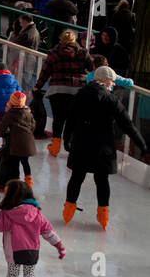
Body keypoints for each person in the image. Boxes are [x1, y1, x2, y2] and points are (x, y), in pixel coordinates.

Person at [61, 65, 147, 230]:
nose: (114, 85)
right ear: (106, 81)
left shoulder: (80, 95)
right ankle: (103, 215)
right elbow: (127, 125)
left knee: (77, 177)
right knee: (102, 181)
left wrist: (66, 138)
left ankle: (68, 210)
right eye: (112, 82)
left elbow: (70, 119)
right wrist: (142, 145)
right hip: (103, 148)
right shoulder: (111, 100)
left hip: (81, 144)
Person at [33, 29, 94, 158]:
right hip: (77, 90)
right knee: (73, 119)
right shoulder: (83, 53)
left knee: (58, 119)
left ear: (61, 39)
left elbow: (45, 72)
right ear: (74, 40)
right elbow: (91, 69)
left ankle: (55, 147)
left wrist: (37, 86)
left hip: (57, 90)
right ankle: (70, 144)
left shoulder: (54, 52)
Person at [0, 91, 36, 189]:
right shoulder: (28, 112)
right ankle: (29, 180)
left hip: (16, 145)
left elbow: (2, 127)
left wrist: (0, 133)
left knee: (14, 164)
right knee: (25, 162)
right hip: (28, 144)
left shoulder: (11, 113)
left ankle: (14, 184)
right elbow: (33, 125)